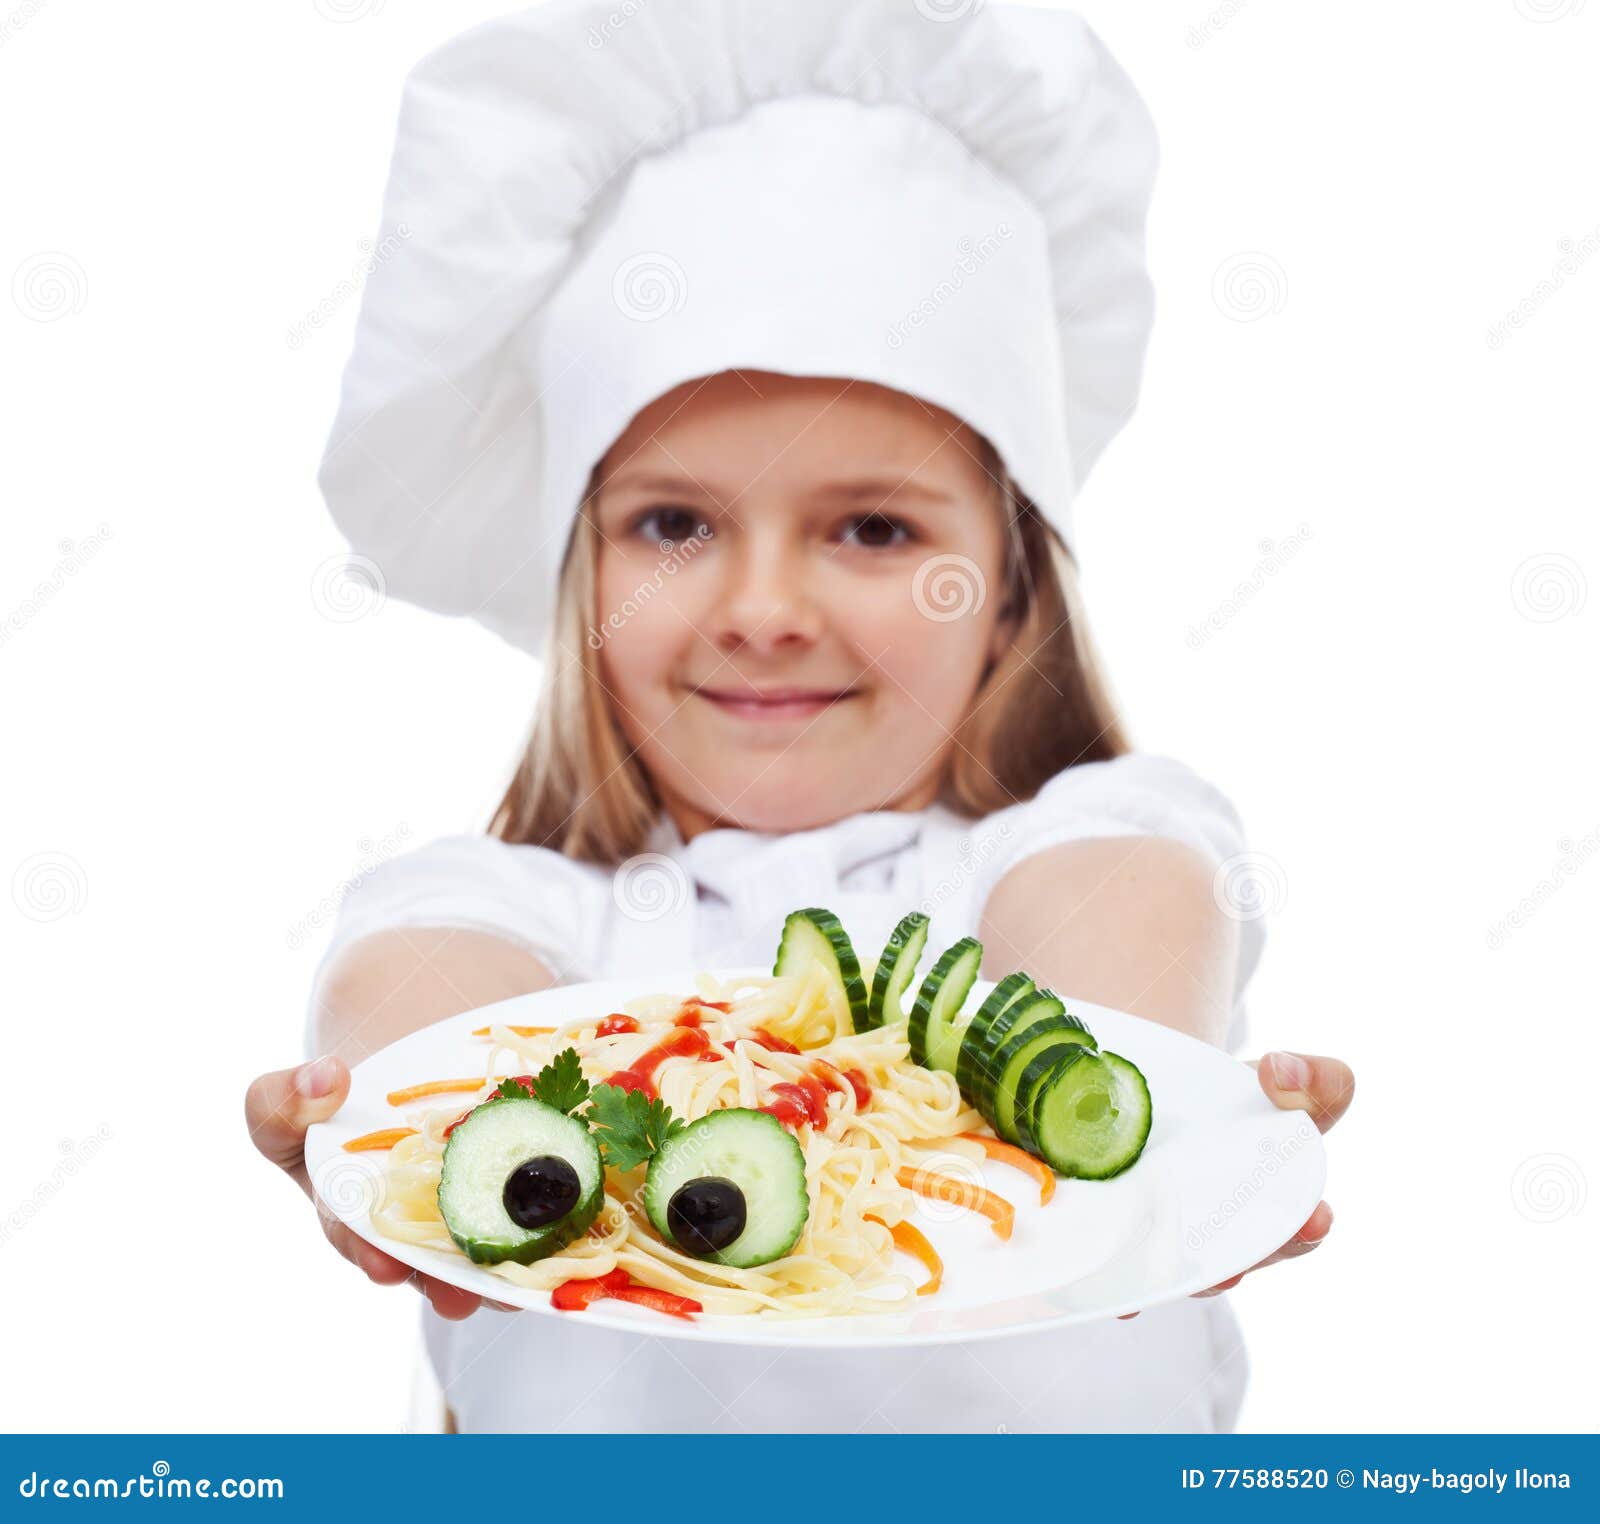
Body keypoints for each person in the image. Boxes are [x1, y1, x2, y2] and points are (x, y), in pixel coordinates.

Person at [246, 0, 1353, 1432]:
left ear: (1013, 585)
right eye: (673, 524)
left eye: (876, 531)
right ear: (581, 577)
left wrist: (1169, 1122)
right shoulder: (505, 908)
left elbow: (1115, 973)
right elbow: (427, 1018)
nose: (763, 606)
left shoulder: (1100, 831)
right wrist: (400, 1125)